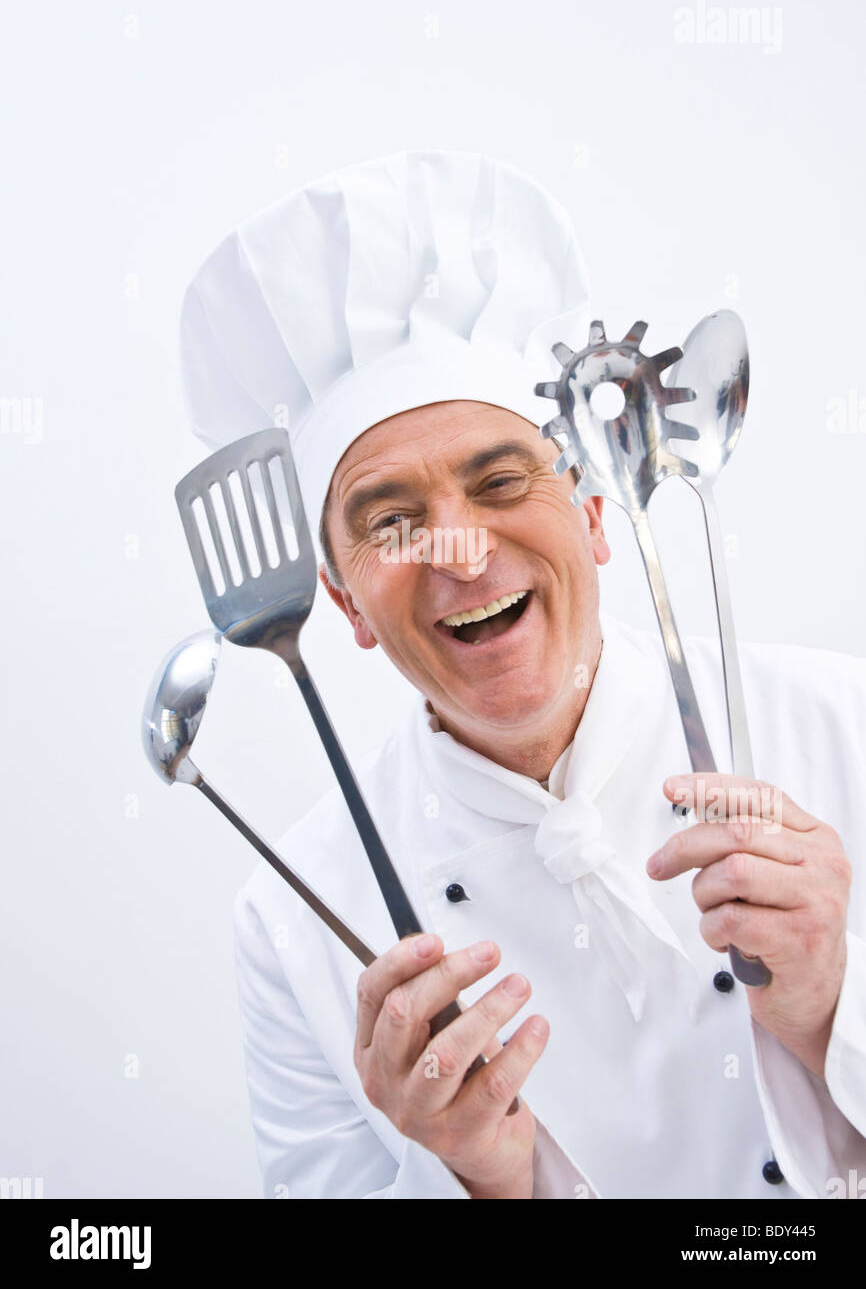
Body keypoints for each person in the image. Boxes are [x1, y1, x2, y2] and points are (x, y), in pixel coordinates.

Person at [179, 149, 866, 1199]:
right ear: (346, 603)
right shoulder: (296, 922)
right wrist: (478, 1180)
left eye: (500, 479)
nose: (457, 552)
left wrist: (834, 1006)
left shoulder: (840, 722)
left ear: (596, 514)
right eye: (391, 521)